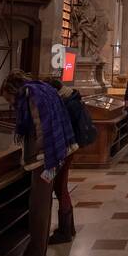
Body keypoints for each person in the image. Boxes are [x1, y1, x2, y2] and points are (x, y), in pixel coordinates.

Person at [2, 71, 77, 256]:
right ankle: (58, 234)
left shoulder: (31, 96)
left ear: (12, 90)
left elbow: (41, 127)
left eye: (9, 99)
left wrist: (42, 158)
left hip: (47, 158)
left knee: (39, 207)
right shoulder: (44, 90)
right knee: (44, 202)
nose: (11, 105)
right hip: (59, 150)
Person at [46, 76, 94, 245]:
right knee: (61, 187)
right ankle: (68, 228)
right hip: (68, 147)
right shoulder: (71, 98)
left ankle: (65, 230)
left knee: (60, 187)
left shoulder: (65, 104)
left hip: (64, 148)